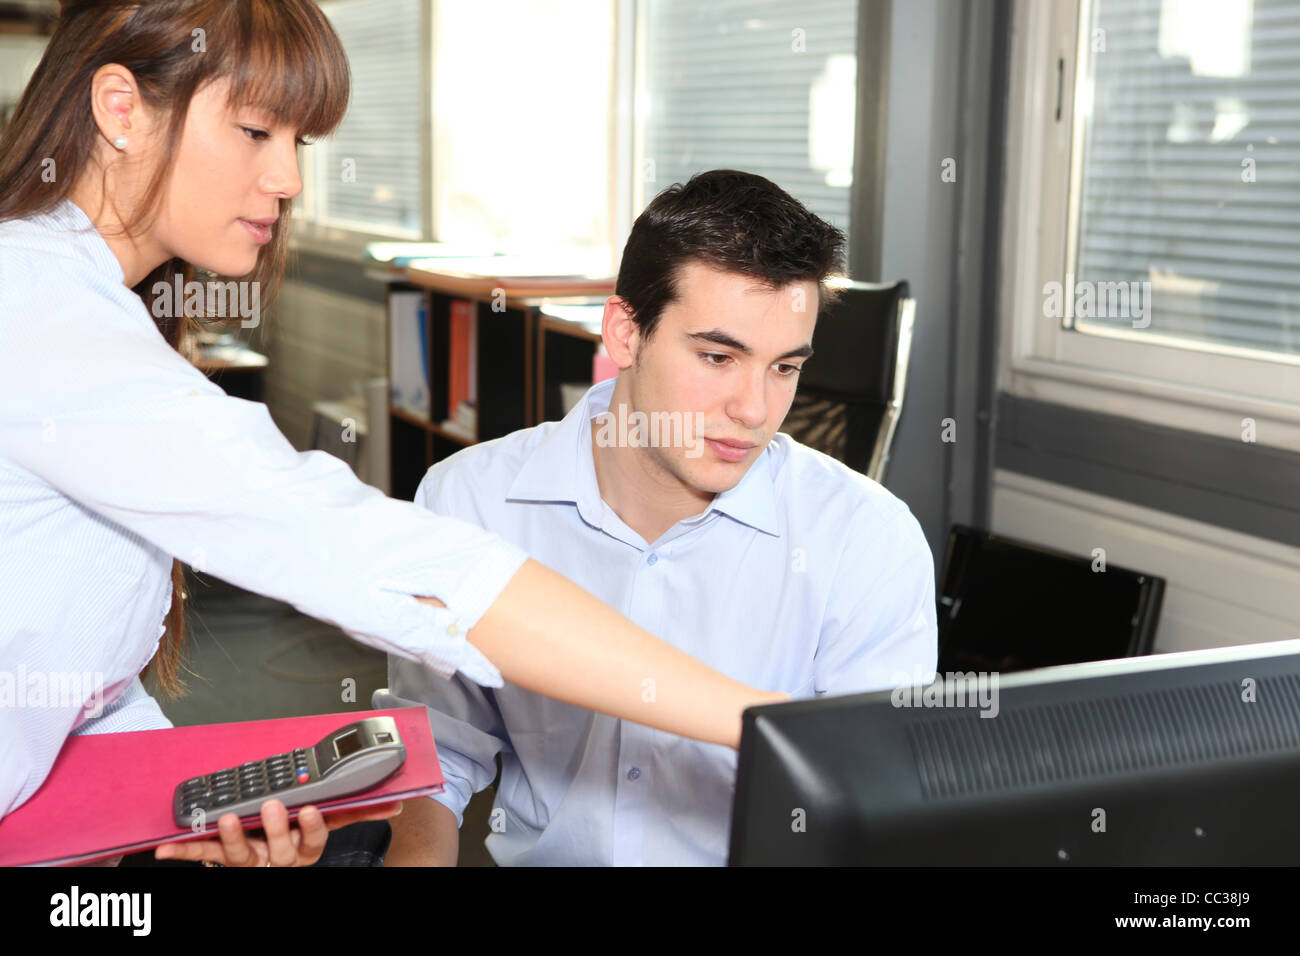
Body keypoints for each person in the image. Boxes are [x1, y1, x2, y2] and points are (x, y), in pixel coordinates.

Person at [0, 0, 787, 867]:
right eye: (258, 131)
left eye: (299, 142)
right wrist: (757, 723)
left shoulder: (89, 308)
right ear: (121, 110)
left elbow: (77, 690)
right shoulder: (35, 307)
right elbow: (360, 550)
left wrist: (163, 816)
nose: (290, 179)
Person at [378, 170, 938, 866]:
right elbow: (437, 750)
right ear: (625, 332)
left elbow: (870, 808)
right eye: (717, 357)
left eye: (785, 367)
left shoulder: (867, 540)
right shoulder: (471, 500)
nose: (755, 410)